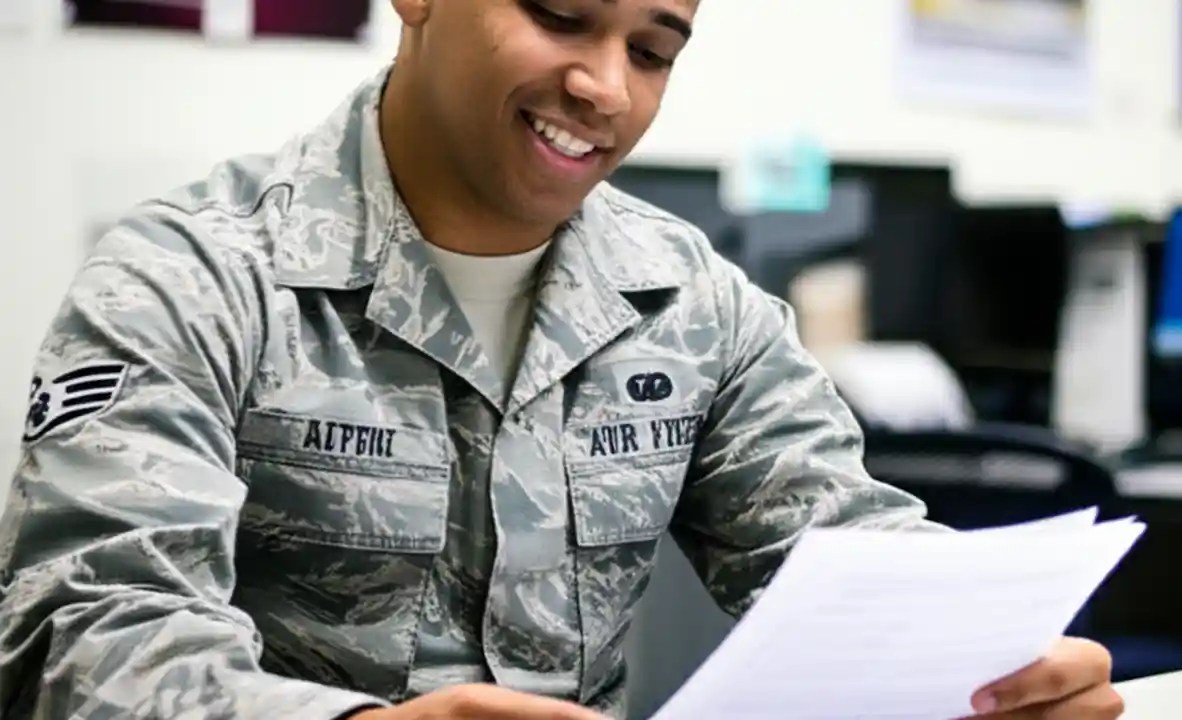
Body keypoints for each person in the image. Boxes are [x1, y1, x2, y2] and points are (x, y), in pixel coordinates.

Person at [0, 1, 1122, 718]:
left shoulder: (695, 304)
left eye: (651, 50)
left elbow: (845, 553)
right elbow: (83, 638)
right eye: (559, 16)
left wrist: (991, 662)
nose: (606, 89)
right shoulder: (193, 276)